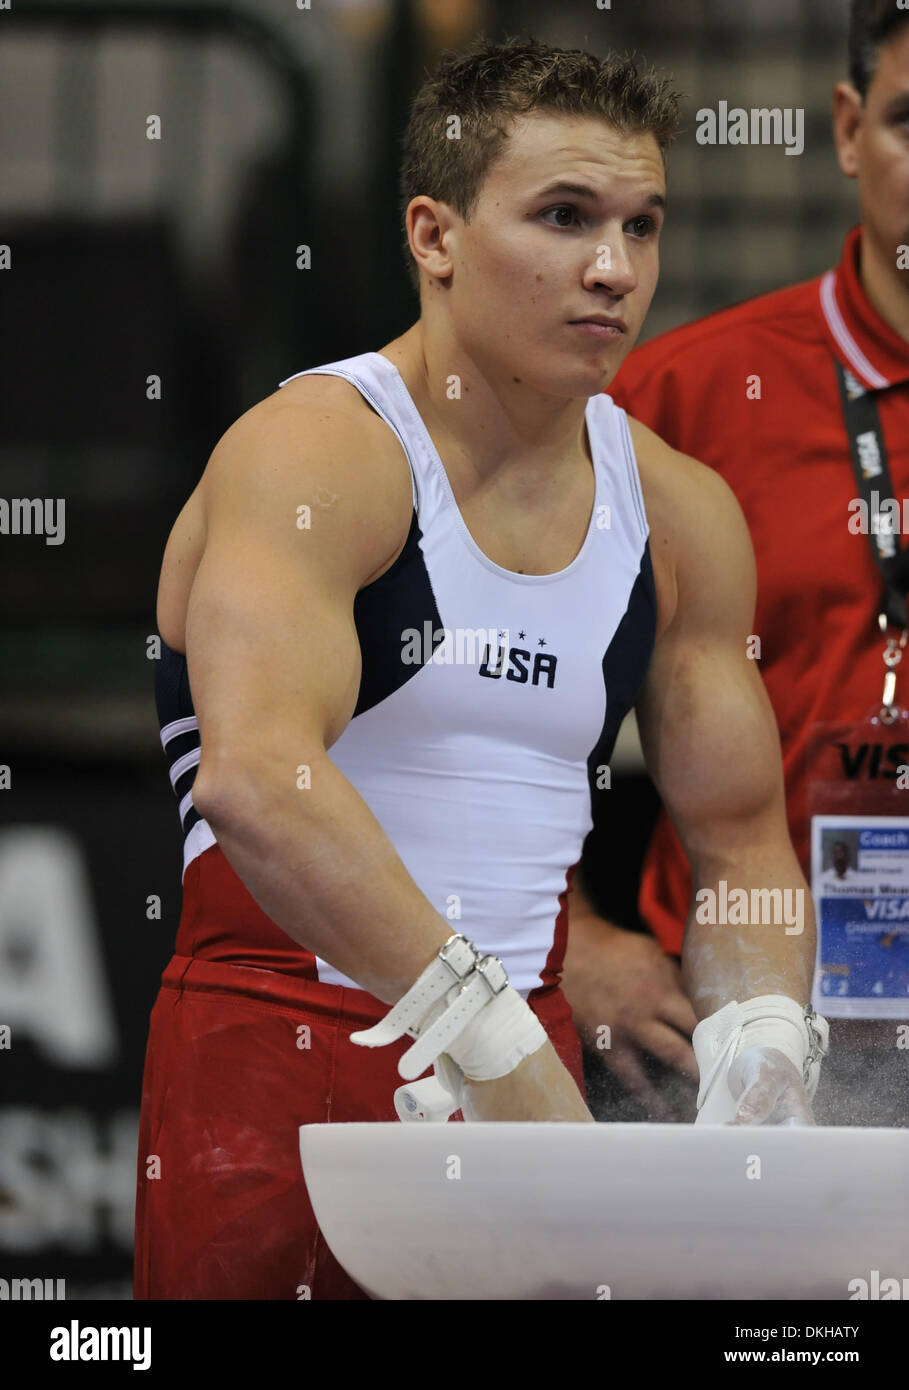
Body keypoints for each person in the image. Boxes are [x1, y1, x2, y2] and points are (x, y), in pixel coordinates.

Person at [135, 36, 826, 1302]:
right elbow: (257, 778)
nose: (614, 269)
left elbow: (737, 845)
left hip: (529, 1056)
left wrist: (764, 1041)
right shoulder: (314, 456)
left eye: (641, 225)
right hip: (285, 1049)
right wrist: (482, 1030)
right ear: (434, 236)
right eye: (564, 218)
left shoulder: (680, 514)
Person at [566, 0, 909, 1125]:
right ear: (849, 128)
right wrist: (576, 942)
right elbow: (456, 688)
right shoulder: (683, 399)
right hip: (726, 1025)